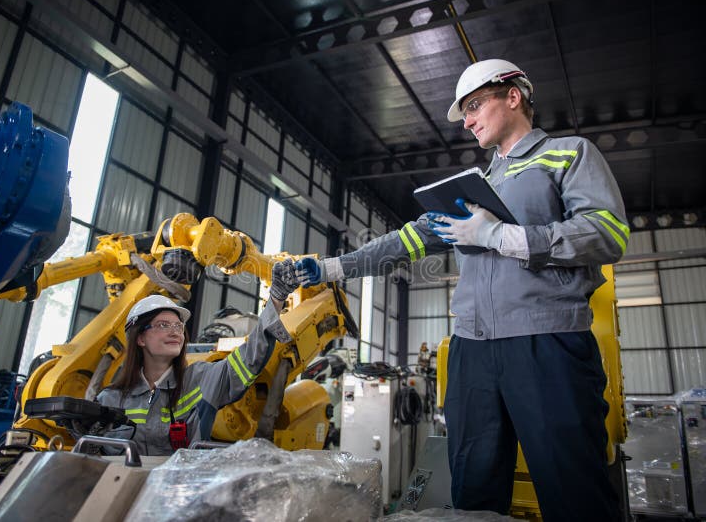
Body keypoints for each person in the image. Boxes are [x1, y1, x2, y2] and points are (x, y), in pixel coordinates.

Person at [295, 59, 629, 521]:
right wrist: (333, 266)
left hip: (546, 342)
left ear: (513, 96)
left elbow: (606, 233)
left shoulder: (569, 154)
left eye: (474, 106)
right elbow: (408, 240)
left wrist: (498, 236)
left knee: (573, 486)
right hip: (472, 353)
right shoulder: (474, 189)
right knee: (473, 488)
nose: (467, 121)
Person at [96, 258, 299, 455]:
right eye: (163, 325)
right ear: (140, 338)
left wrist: (276, 299)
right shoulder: (111, 399)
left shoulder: (202, 379)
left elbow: (250, 357)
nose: (175, 332)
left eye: (178, 326)